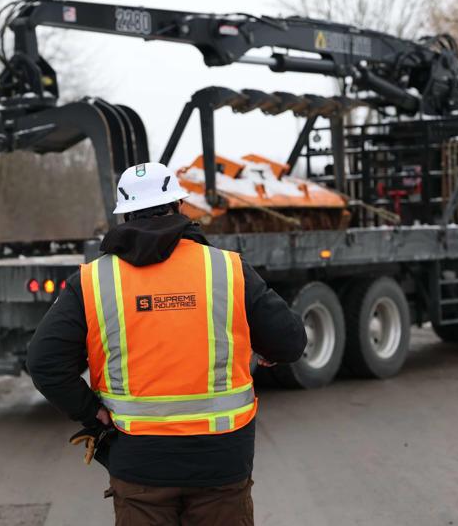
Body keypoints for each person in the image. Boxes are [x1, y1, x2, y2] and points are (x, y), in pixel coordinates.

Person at [26, 162, 306, 526]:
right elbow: (291, 342)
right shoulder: (227, 269)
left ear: (123, 216)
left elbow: (44, 362)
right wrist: (269, 351)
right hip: (221, 465)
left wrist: (89, 413)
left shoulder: (93, 282)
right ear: (179, 208)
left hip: (138, 466)